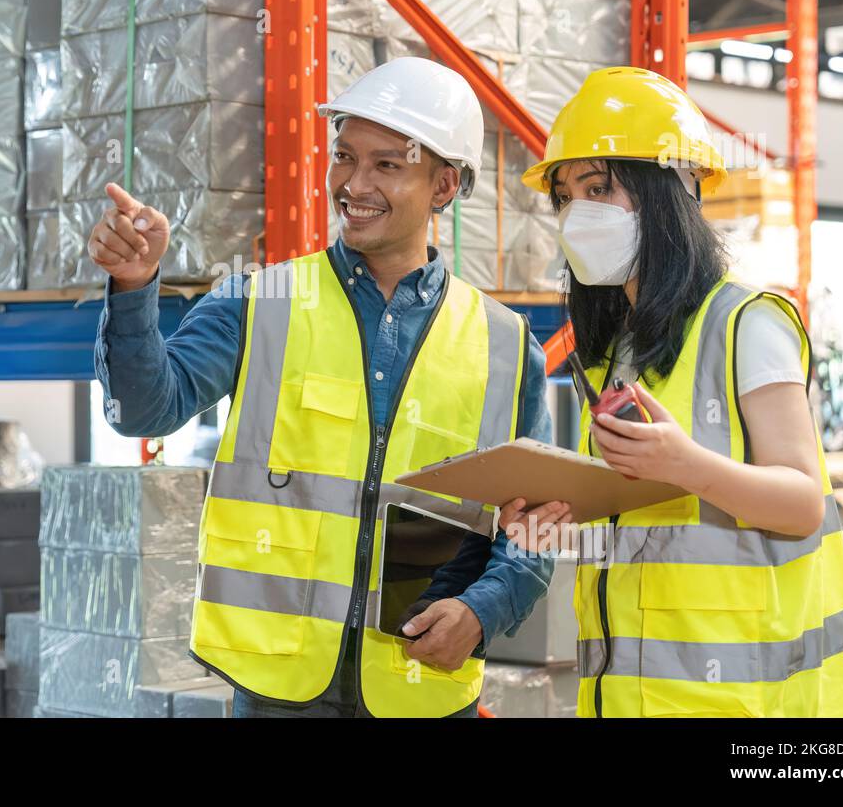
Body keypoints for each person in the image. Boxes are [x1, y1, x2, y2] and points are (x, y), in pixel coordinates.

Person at [90, 57, 559, 718]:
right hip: (279, 686)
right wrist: (136, 288)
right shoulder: (264, 299)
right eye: (344, 157)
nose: (352, 183)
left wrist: (484, 610)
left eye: (386, 165)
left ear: (444, 185)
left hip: (421, 687)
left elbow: (535, 522)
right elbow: (143, 410)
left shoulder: (505, 344)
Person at [500, 66, 843, 718]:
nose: (577, 214)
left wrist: (685, 464)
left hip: (744, 704)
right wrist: (554, 529)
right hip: (627, 698)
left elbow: (802, 504)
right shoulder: (615, 349)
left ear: (670, 189)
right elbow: (645, 526)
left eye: (599, 187)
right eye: (565, 196)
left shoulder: (745, 323)